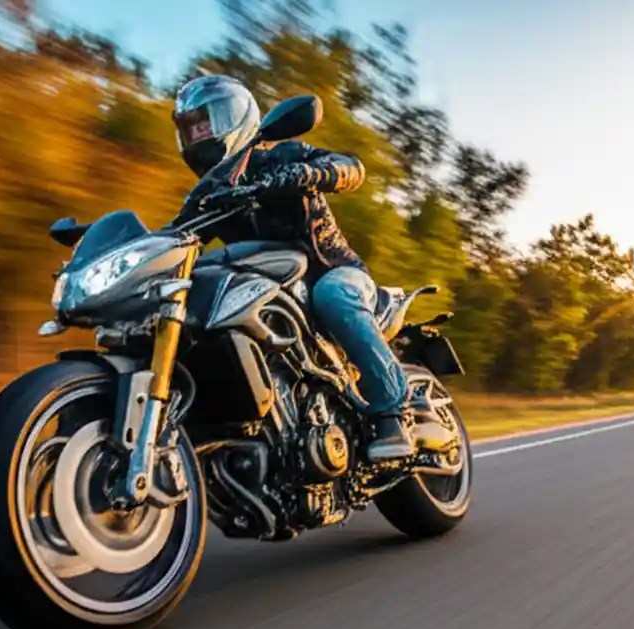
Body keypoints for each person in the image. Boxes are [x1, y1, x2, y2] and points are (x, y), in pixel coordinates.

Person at [168, 74, 454, 461]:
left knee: (332, 295)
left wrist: (307, 174)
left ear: (233, 118)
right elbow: (173, 237)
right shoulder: (208, 195)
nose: (197, 133)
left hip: (332, 272)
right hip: (271, 291)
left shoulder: (282, 156)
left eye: (205, 122)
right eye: (189, 127)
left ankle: (394, 412)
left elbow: (351, 166)